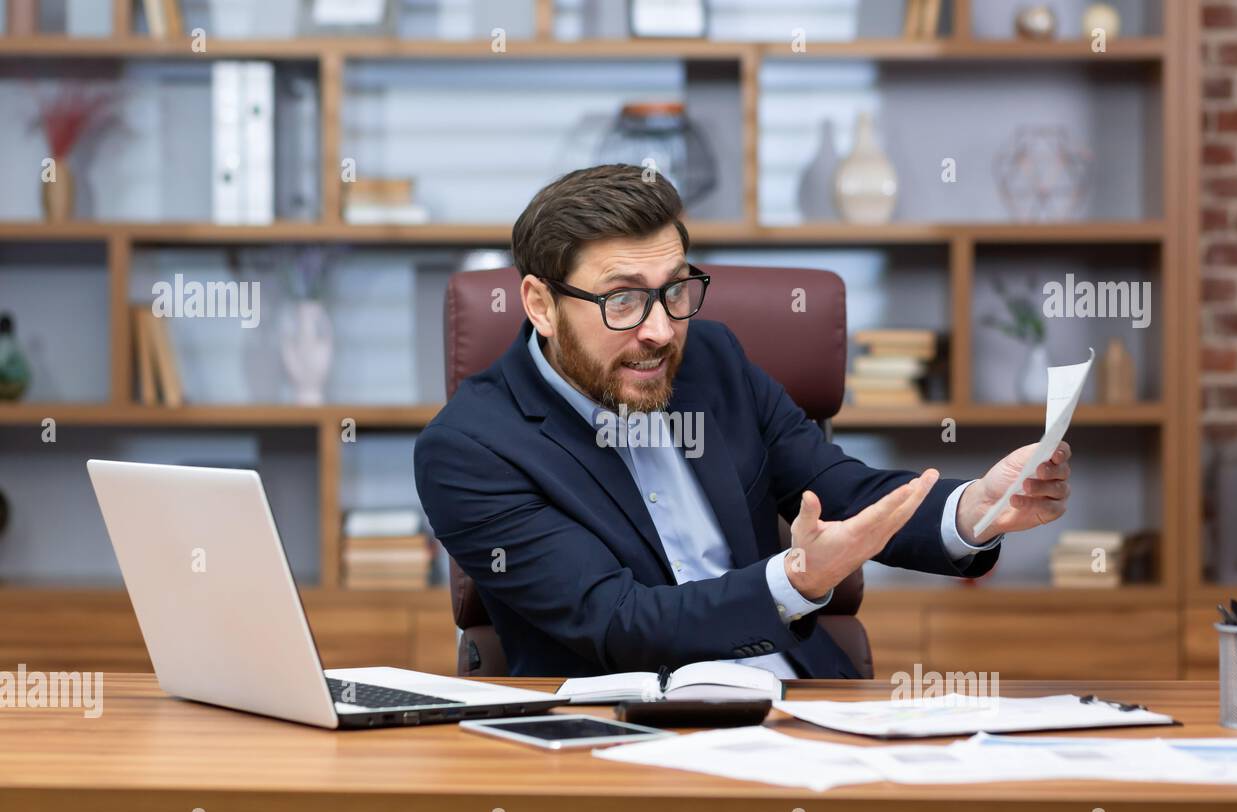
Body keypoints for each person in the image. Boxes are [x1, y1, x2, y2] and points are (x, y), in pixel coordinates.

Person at [414, 164, 1070, 678]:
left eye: (675, 290)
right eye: (622, 300)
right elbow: (616, 621)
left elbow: (838, 489)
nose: (660, 330)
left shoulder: (712, 359)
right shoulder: (470, 448)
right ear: (540, 304)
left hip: (795, 705)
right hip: (619, 732)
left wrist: (974, 508)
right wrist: (796, 579)